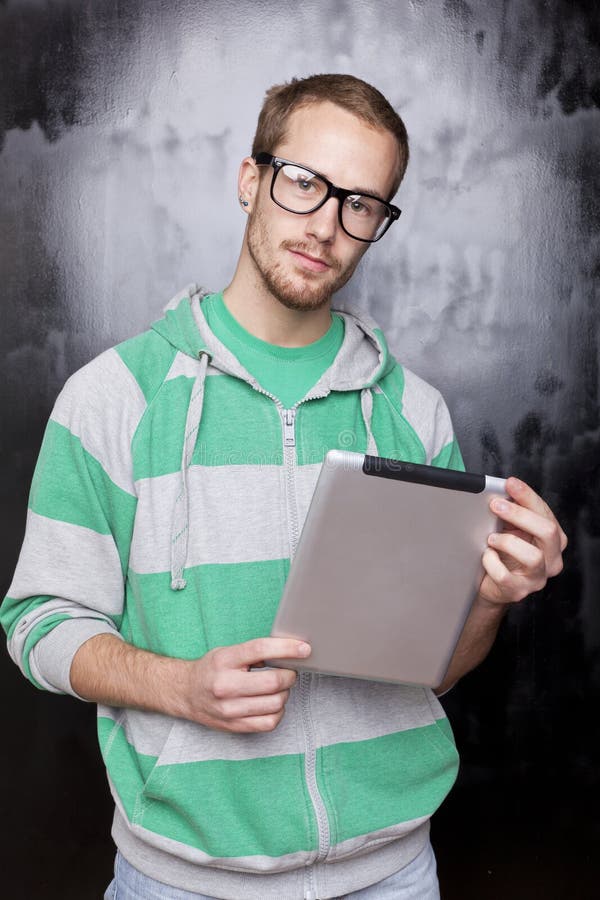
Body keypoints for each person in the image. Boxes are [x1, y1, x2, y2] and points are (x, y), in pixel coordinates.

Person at [1, 74, 566, 900]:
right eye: (304, 183)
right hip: (179, 882)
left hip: (395, 875)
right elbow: (36, 621)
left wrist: (493, 595)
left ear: (379, 224)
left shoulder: (415, 410)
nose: (326, 227)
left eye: (362, 205)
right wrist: (180, 688)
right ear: (249, 179)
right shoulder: (111, 397)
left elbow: (438, 671)